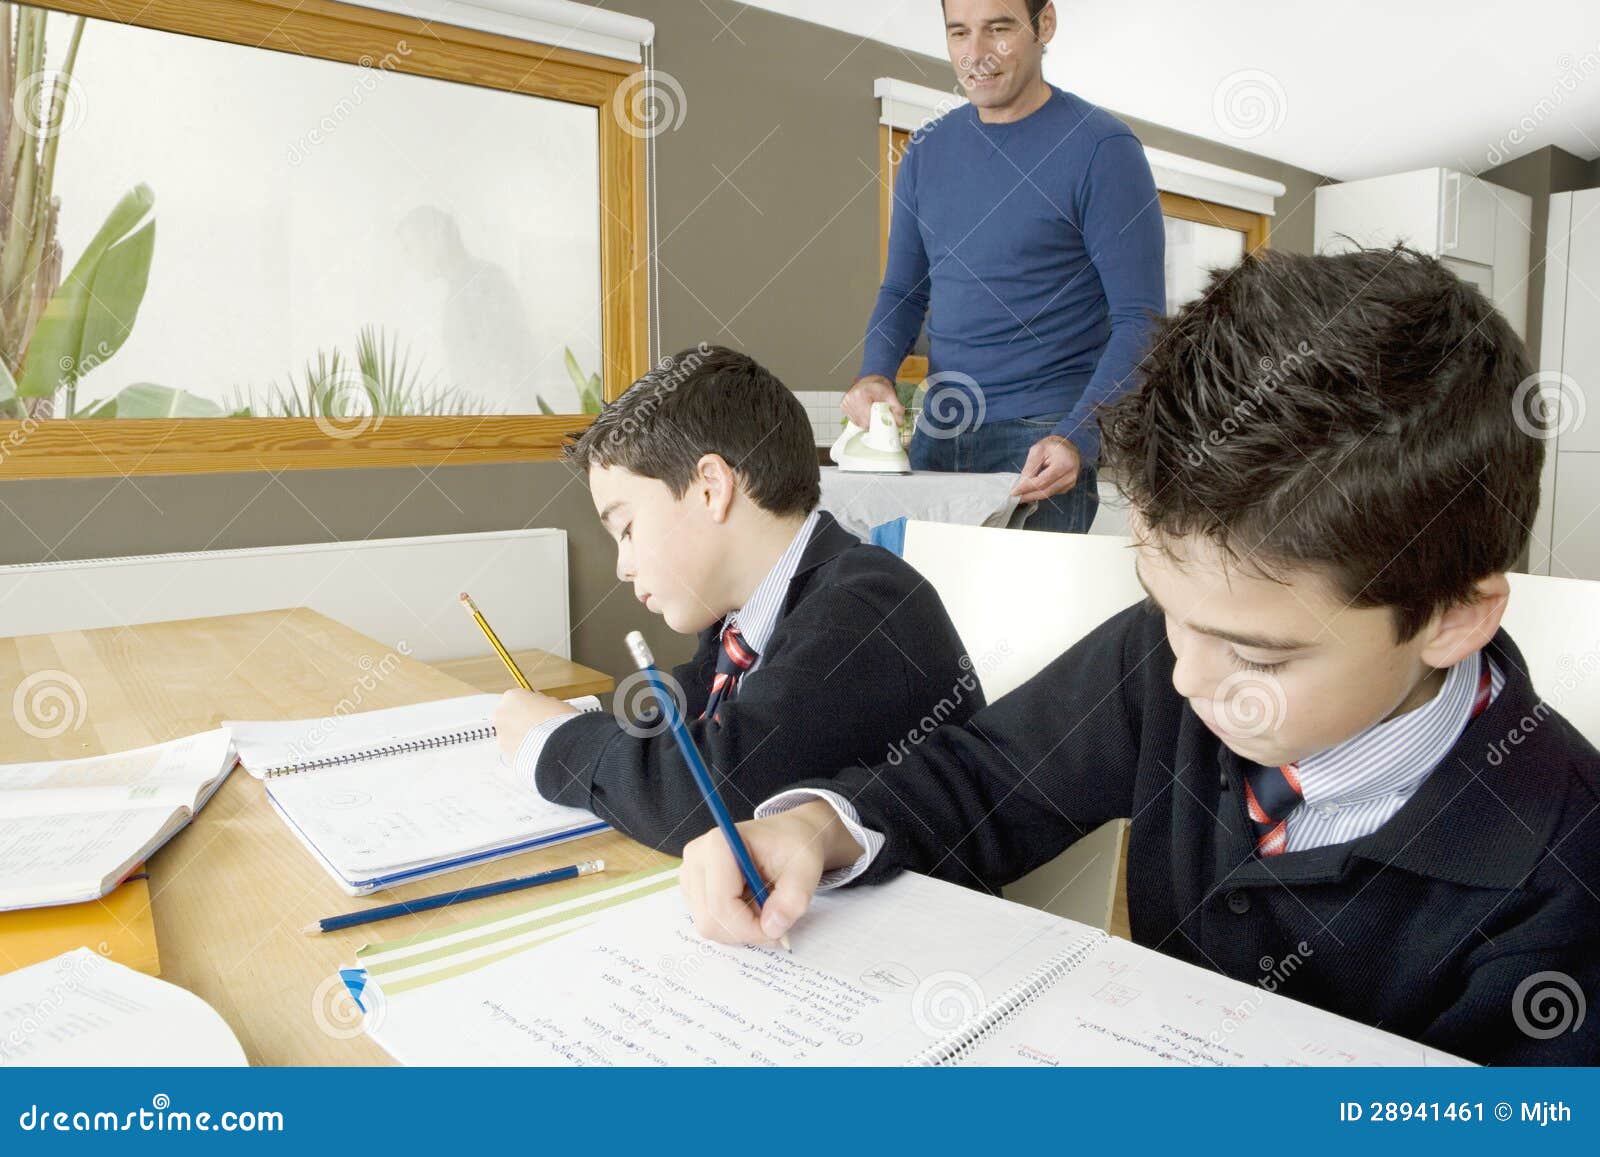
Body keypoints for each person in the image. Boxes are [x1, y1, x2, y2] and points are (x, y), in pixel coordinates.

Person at [681, 249, 1600, 1065]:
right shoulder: (1175, 658)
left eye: (1260, 657)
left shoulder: (1567, 878)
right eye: (1164, 608)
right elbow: (987, 775)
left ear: (1450, 617)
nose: (1185, 677)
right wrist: (820, 827)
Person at [492, 345, 983, 856]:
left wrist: (554, 743)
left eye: (629, 529)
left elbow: (708, 800)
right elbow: (683, 727)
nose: (624, 565)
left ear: (710, 488)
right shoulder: (743, 619)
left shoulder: (865, 607)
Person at [844, 0, 1165, 533]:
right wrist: (875, 372)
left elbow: (1141, 319)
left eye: (998, 30)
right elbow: (905, 289)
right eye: (958, 33)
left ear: (1045, 25)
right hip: (938, 434)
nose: (975, 55)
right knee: (923, 613)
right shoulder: (926, 151)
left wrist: (1078, 435)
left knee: (1023, 616)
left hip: (1042, 441)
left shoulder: (1102, 149)